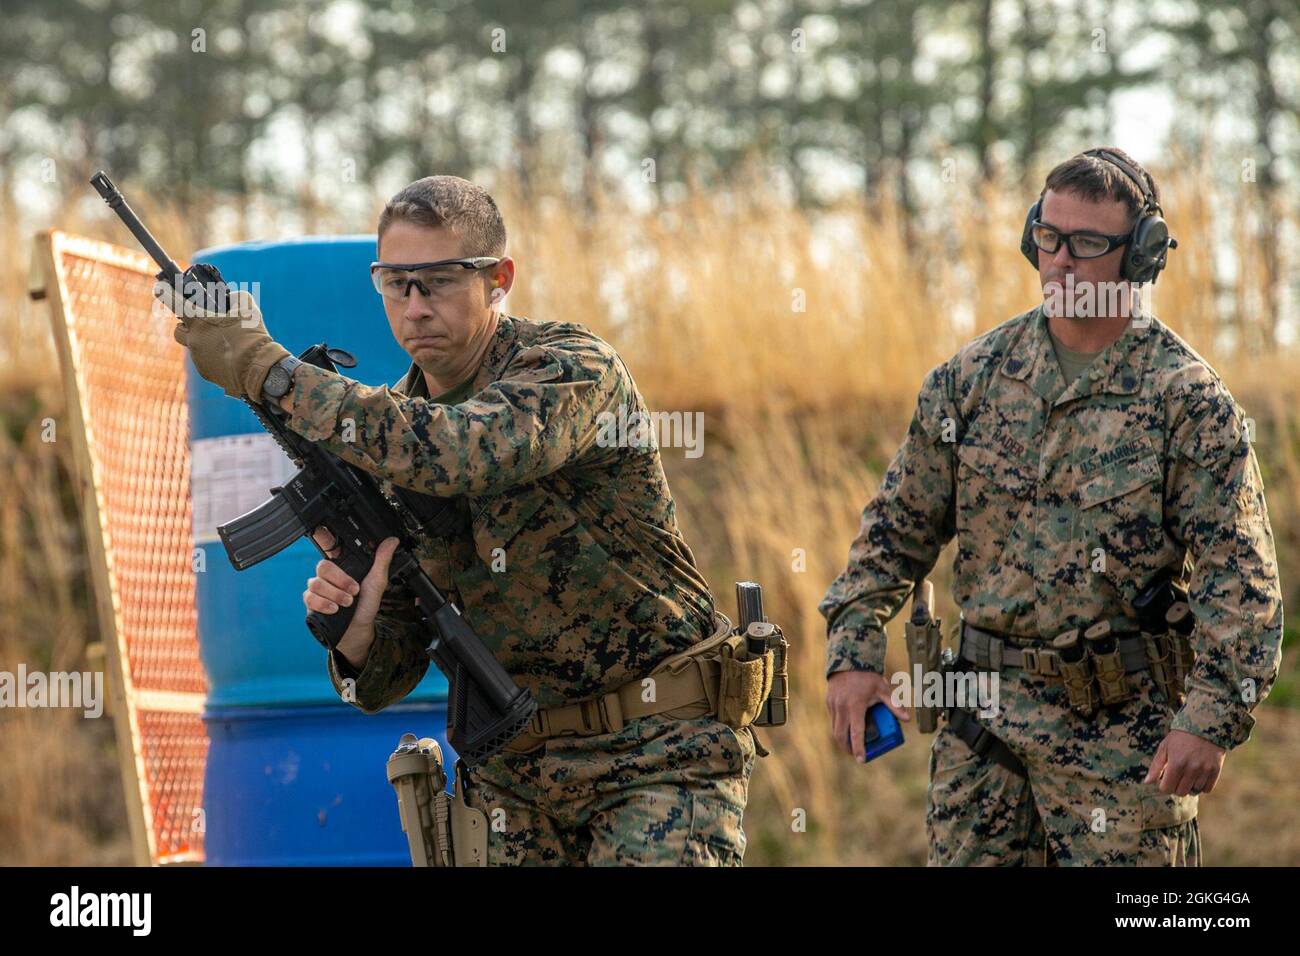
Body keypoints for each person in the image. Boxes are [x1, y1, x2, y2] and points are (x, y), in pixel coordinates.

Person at [157, 175, 761, 865]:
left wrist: (268, 370)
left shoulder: (571, 370)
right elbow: (392, 669)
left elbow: (465, 452)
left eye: (438, 282)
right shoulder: (387, 434)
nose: (414, 308)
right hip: (511, 778)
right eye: (395, 284)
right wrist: (356, 634)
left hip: (656, 750)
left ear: (498, 279)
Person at [820, 148, 1282, 865]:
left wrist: (1212, 720)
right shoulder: (970, 381)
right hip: (981, 739)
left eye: (1088, 244)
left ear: (1142, 255)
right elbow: (892, 533)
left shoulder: (1186, 403)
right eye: (1049, 237)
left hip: (1122, 748)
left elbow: (1242, 585)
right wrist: (851, 655)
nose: (1062, 262)